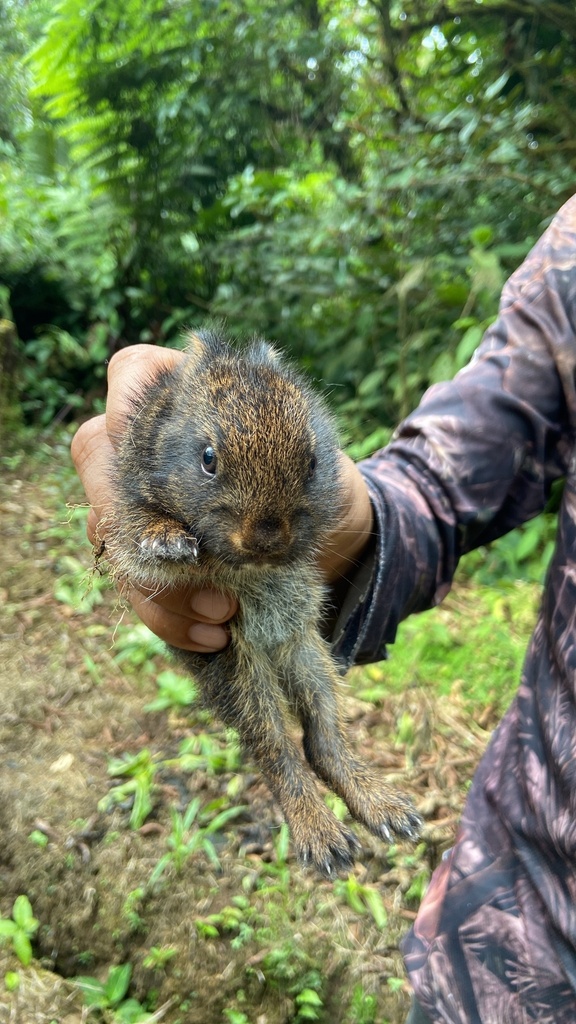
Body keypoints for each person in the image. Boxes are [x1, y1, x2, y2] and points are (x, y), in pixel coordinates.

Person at [72, 195, 576, 1024]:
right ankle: (297, 789)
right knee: (263, 694)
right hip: (525, 943)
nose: (261, 529)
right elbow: (441, 483)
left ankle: (339, 768)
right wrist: (157, 532)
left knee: (308, 678)